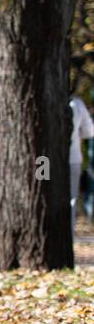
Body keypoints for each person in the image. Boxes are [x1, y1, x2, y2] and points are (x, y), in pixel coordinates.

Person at [69, 94, 94, 235]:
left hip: (43, 160)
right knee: (71, 199)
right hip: (72, 159)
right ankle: (67, 237)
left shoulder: (40, 96)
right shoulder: (76, 104)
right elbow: (89, 131)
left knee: (42, 190)